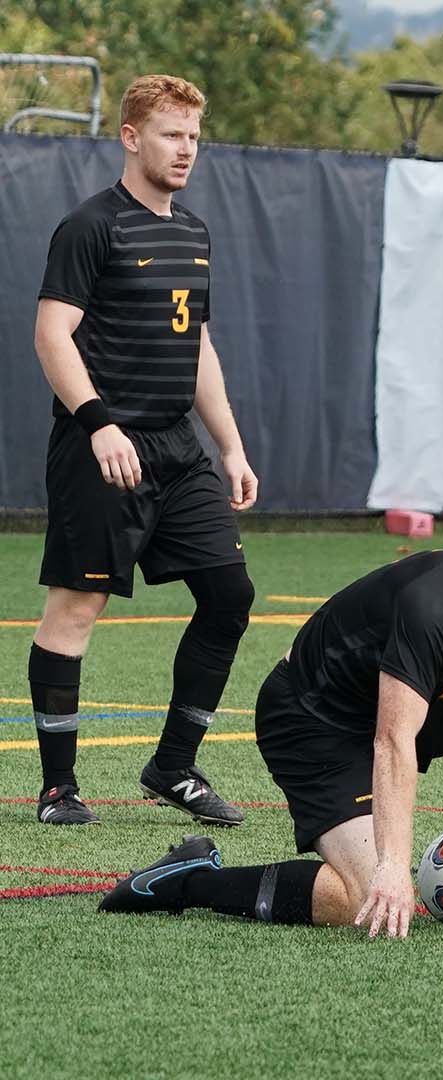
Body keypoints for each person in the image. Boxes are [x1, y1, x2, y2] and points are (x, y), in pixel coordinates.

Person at [98, 477, 443, 937]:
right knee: (359, 898)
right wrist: (392, 864)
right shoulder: (435, 605)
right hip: (312, 721)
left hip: (411, 704)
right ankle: (190, 879)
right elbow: (392, 741)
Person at [28, 74, 257, 828]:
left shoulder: (193, 233)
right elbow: (51, 334)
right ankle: (59, 788)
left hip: (177, 448)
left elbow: (198, 349)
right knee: (78, 607)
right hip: (100, 447)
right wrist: (98, 422)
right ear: (131, 137)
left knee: (230, 596)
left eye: (193, 136)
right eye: (170, 134)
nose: (185, 149)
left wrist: (230, 446)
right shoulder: (91, 225)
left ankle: (173, 764)